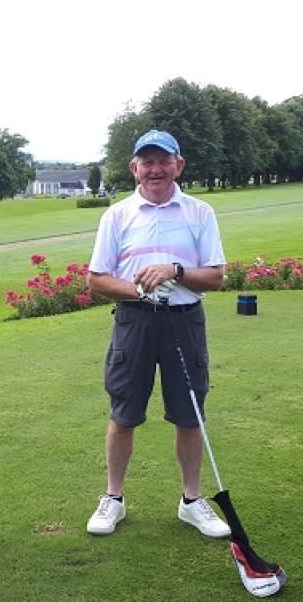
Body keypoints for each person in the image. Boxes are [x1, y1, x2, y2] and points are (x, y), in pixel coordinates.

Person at [84, 129, 231, 542]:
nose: (155, 169)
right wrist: (139, 289)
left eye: (163, 160)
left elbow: (216, 277)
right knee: (124, 411)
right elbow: (96, 279)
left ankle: (191, 502)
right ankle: (113, 498)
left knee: (189, 413)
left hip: (184, 321)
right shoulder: (117, 215)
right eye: (146, 162)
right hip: (134, 321)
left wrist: (176, 271)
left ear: (178, 165)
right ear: (134, 169)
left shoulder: (199, 212)